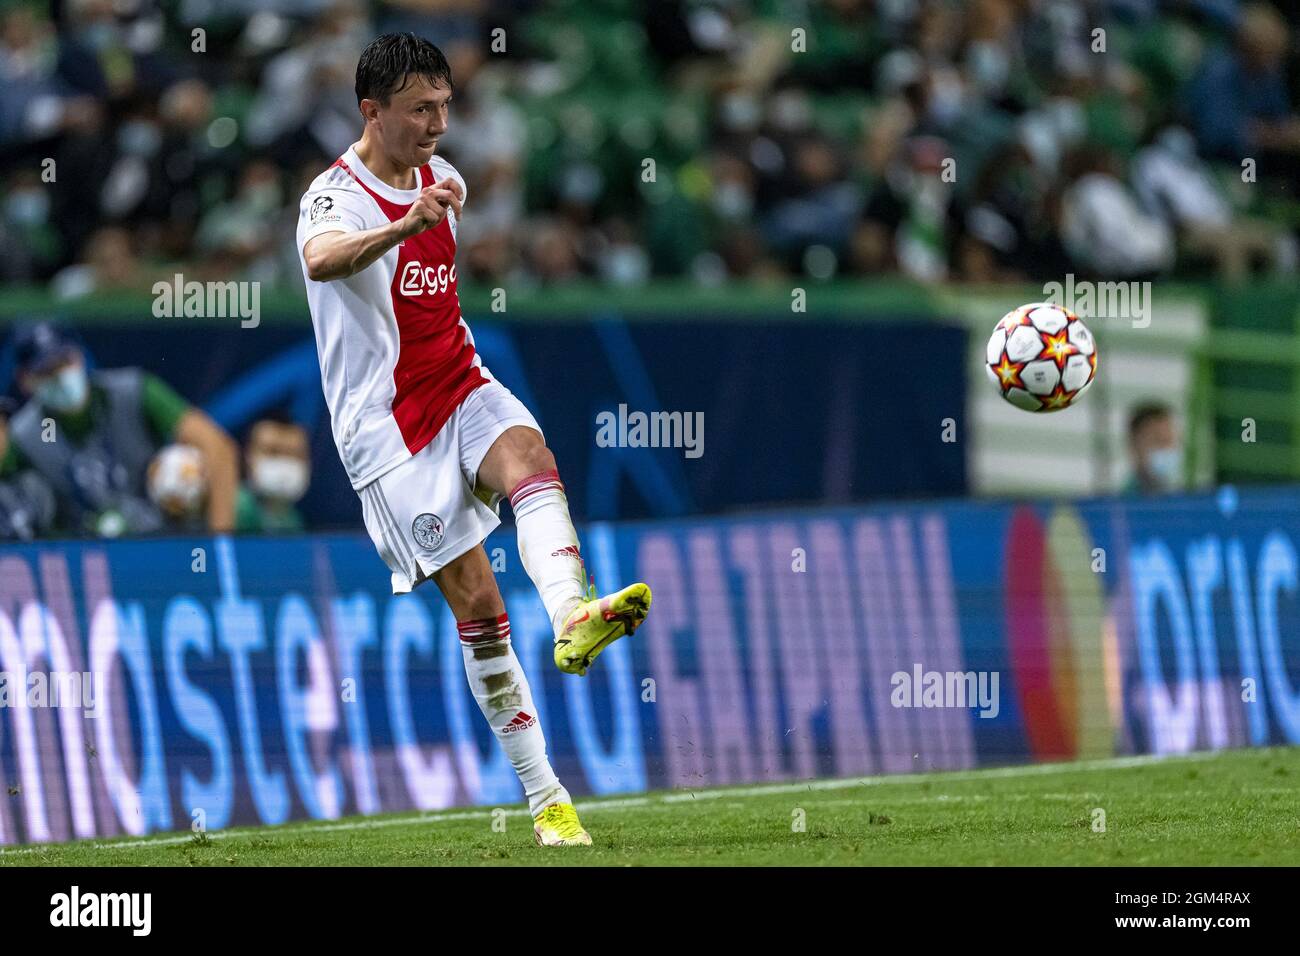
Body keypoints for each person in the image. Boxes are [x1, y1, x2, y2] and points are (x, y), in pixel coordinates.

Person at [296, 33, 652, 847]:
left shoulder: (445, 180)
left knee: (533, 459)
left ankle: (571, 616)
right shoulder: (332, 196)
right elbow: (321, 263)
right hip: (385, 431)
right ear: (371, 111)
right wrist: (399, 228)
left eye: (445, 108)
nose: (437, 124)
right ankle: (547, 800)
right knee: (479, 605)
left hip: (459, 383)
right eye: (421, 109)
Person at [3, 323, 239, 536]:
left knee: (239, 501)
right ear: (25, 379)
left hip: (165, 535)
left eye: (64, 362)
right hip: (88, 557)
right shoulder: (24, 435)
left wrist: (219, 542)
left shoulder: (133, 391)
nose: (59, 377)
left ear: (80, 357)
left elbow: (217, 447)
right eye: (46, 370)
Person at [236, 411, 311, 534]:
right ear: (248, 456)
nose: (284, 463)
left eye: (293, 454)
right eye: (273, 452)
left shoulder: (293, 520)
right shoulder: (233, 507)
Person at [1124, 402, 1182, 495]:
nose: (1165, 448)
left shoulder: (1178, 494)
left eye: (1169, 440)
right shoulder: (1124, 500)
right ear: (1134, 445)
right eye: (1157, 440)